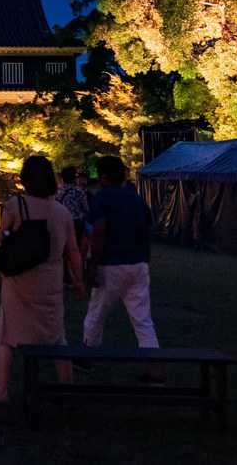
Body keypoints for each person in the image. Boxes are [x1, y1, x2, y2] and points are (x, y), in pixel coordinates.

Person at [0, 156, 83, 405]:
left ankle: (3, 390)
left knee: (6, 334)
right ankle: (66, 387)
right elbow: (72, 250)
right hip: (50, 280)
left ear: (25, 180)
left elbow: (1, 238)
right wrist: (78, 280)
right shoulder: (62, 212)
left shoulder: (15, 206)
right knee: (57, 336)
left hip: (19, 279)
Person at [81, 155, 161, 378]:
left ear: (103, 176)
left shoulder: (102, 199)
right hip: (138, 263)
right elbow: (147, 228)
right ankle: (154, 365)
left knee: (97, 312)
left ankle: (88, 353)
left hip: (111, 264)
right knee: (142, 318)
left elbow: (98, 232)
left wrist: (92, 265)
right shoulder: (136, 199)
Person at [56, 166, 90, 243]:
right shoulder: (79, 191)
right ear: (74, 178)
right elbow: (86, 208)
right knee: (76, 243)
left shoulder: (57, 191)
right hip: (76, 221)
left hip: (61, 221)